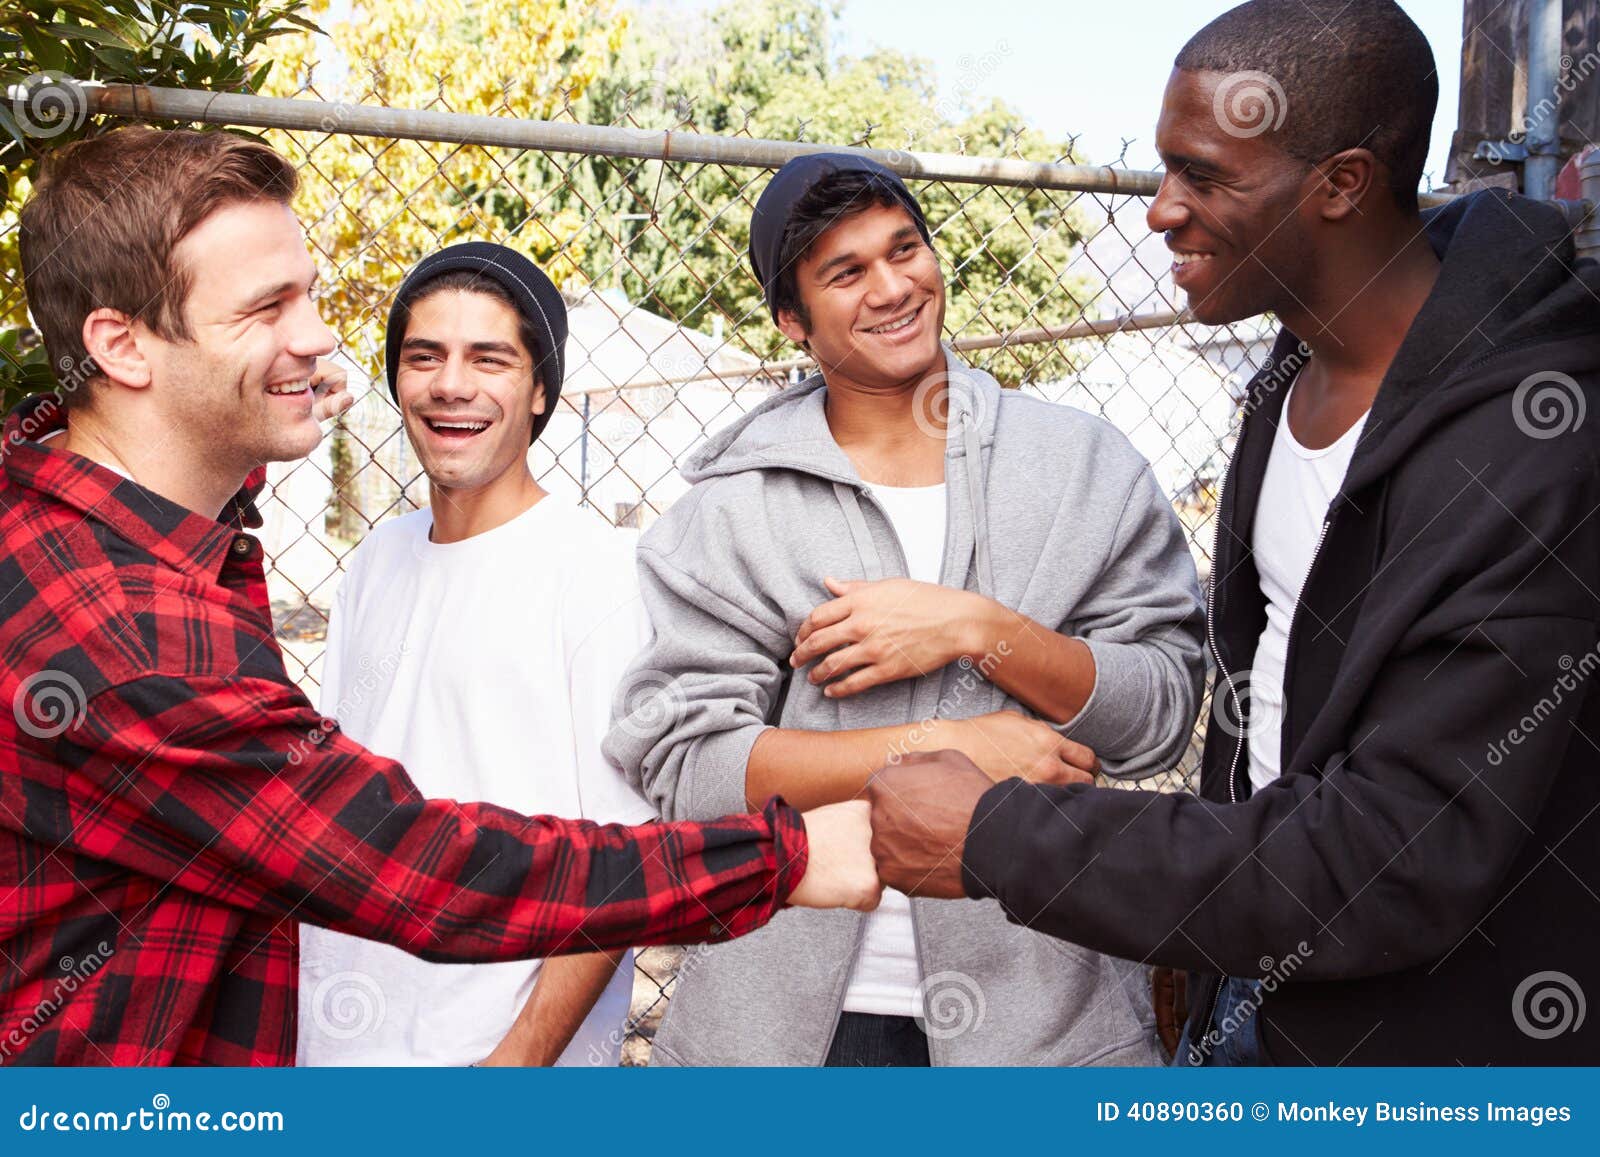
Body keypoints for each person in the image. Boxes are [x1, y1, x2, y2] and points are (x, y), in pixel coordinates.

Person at [0, 126, 879, 1068]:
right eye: (266, 309)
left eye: (308, 293)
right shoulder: (121, 618)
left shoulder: (140, 536)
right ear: (120, 346)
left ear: (543, 388)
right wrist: (789, 857)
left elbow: (601, 822)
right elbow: (406, 862)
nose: (316, 336)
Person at [865, 0, 1600, 1065]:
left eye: (1204, 176)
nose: (1161, 210)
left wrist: (1001, 837)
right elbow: (1267, 742)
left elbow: (1398, 854)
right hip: (1267, 990)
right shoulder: (1290, 379)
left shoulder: (1531, 446)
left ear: (1340, 183)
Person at [605, 153, 1205, 1066]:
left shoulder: (1084, 466)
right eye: (846, 273)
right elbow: (689, 767)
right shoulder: (733, 511)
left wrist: (978, 629)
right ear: (792, 321)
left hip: (1045, 1023)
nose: (893, 287)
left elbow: (1157, 716)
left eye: (905, 249)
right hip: (786, 1035)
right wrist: (941, 750)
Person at [297, 244, 661, 1067]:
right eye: (424, 357)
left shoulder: (600, 574)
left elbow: (624, 860)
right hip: (339, 1043)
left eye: (488, 359)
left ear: (539, 389)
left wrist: (516, 1066)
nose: (450, 384)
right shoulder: (376, 559)